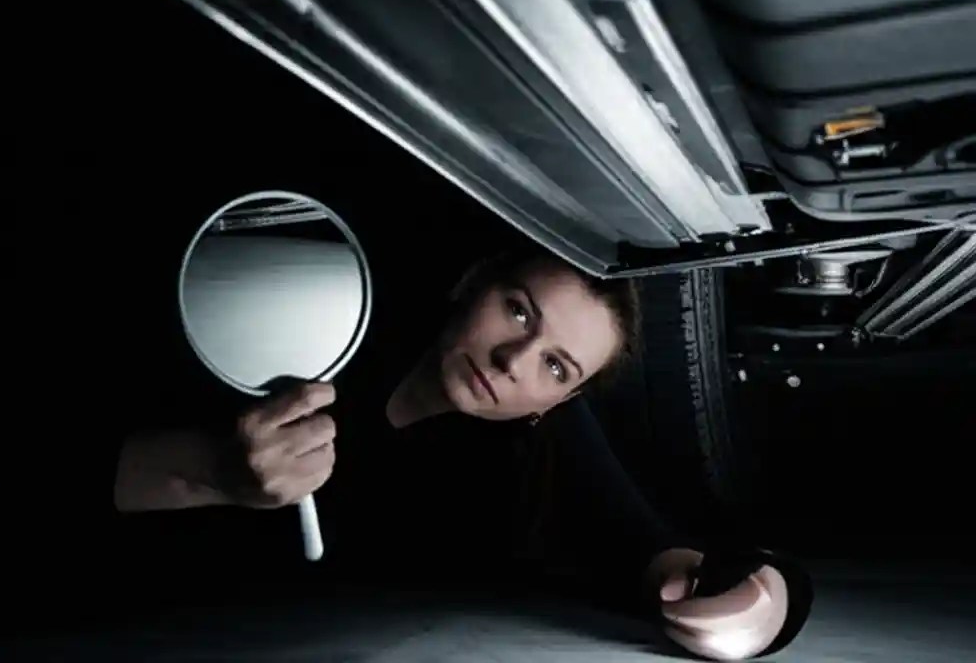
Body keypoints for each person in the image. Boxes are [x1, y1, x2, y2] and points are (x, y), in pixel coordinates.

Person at [93, 243, 798, 661]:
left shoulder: (533, 441)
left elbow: (647, 545)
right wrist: (216, 469)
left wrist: (757, 601)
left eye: (557, 367)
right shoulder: (327, 325)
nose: (518, 357)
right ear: (470, 286)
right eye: (519, 310)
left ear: (557, 402)